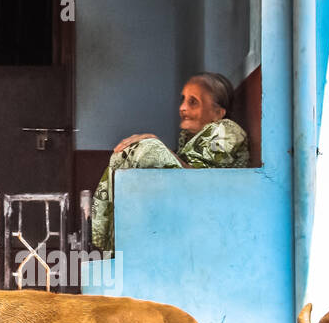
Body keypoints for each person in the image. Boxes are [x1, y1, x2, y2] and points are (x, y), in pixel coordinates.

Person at [90, 72, 250, 254]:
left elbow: (199, 181)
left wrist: (156, 144)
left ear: (218, 113)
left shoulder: (227, 131)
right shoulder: (190, 139)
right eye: (183, 100)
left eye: (193, 102)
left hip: (217, 224)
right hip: (190, 219)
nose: (182, 108)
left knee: (148, 148)